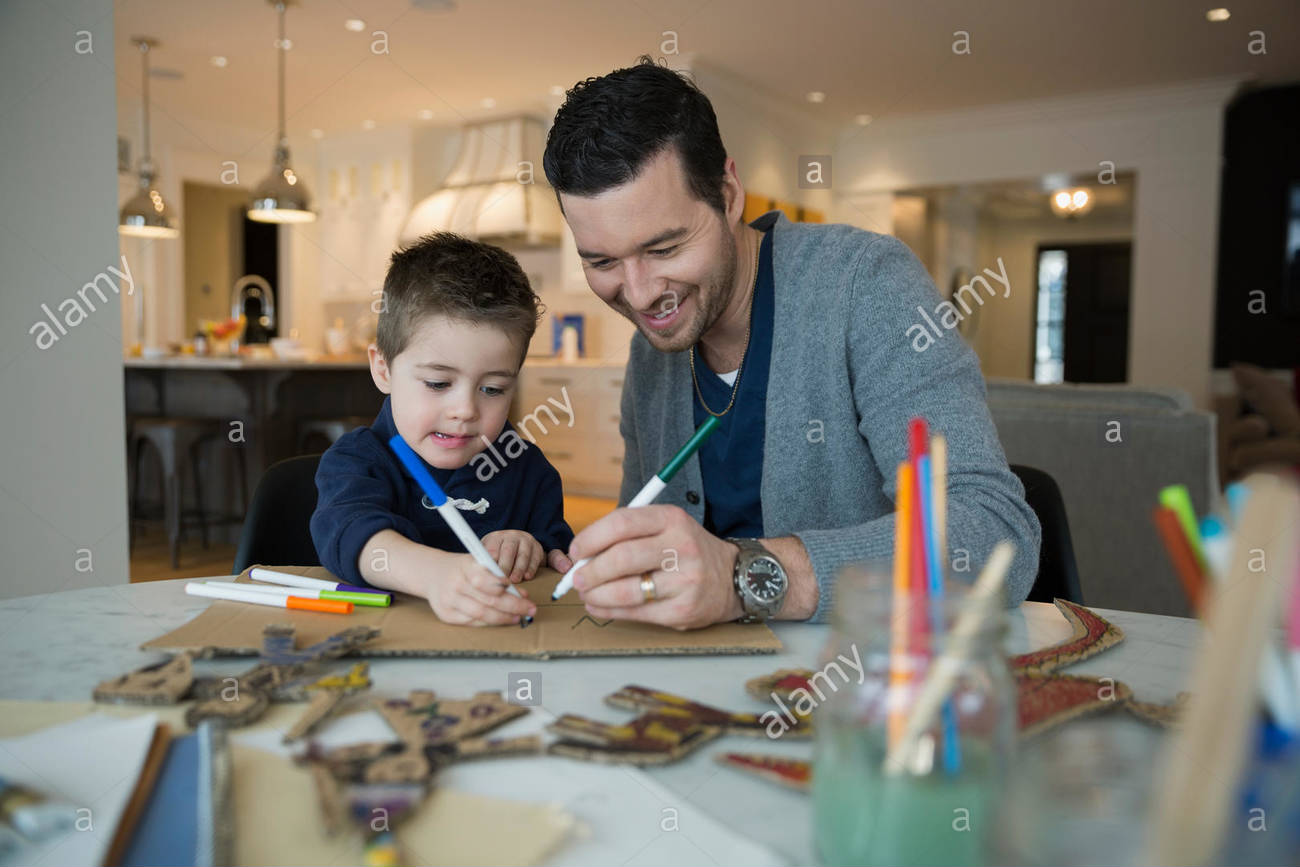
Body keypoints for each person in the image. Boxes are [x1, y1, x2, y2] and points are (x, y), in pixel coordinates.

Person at [542, 57, 1040, 629]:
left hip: (861, 684)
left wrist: (746, 578)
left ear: (729, 196)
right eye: (602, 261)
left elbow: (993, 531)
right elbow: (645, 535)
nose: (639, 295)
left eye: (663, 249)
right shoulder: (651, 351)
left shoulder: (867, 284)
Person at [310, 233, 574, 626]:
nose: (465, 410)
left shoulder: (528, 469)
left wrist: (530, 546)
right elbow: (352, 535)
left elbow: (557, 552)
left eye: (493, 389)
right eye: (437, 384)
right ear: (383, 368)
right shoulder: (357, 461)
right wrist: (437, 575)